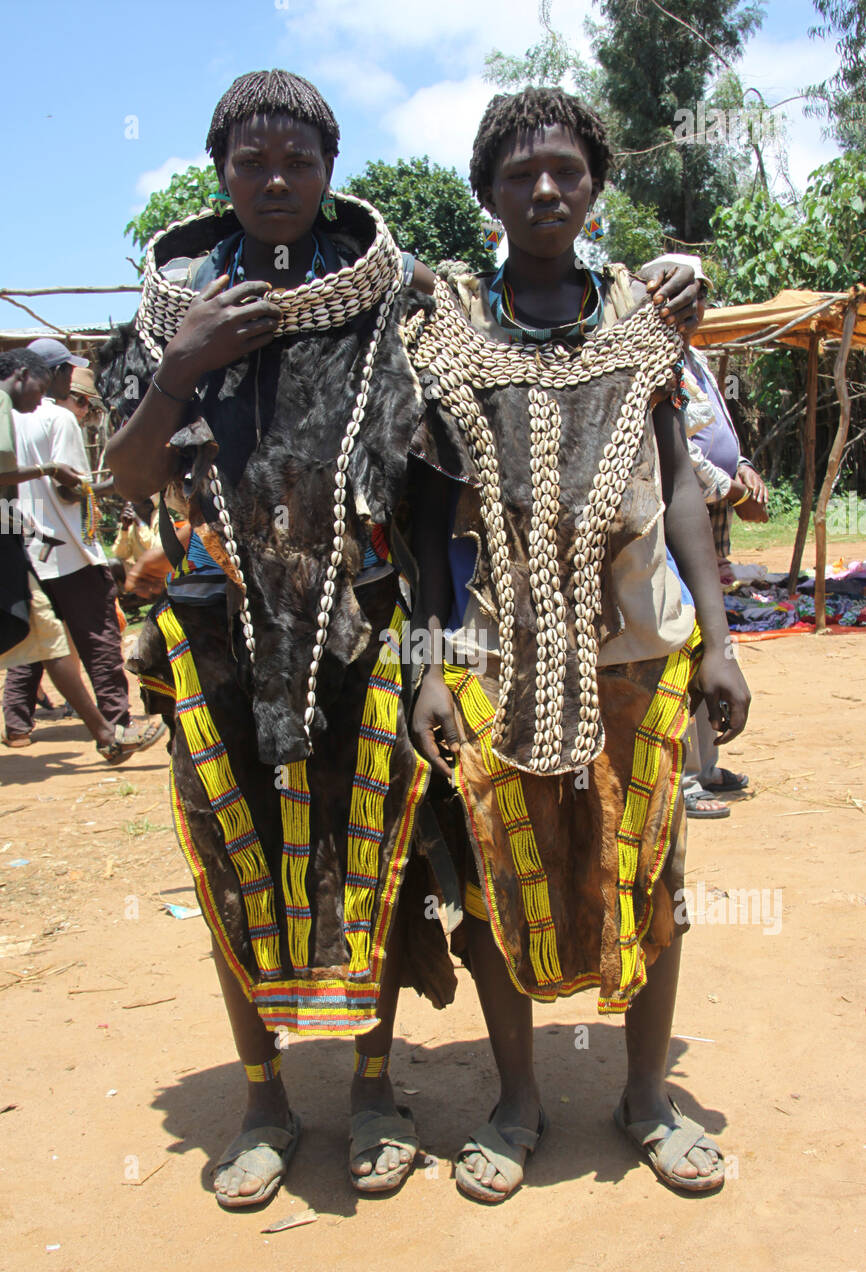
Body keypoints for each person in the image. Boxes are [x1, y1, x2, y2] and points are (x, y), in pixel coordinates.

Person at [101, 72, 699, 1210]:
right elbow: (129, 475)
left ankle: (376, 1091)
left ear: (330, 169)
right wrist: (186, 365)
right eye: (250, 161)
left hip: (365, 633)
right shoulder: (167, 310)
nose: (274, 179)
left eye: (298, 159)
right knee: (239, 866)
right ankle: (266, 1102)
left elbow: (435, 484)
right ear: (218, 171)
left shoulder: (395, 308)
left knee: (376, 864)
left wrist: (679, 276)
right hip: (219, 634)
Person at [407, 88, 750, 1202]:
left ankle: (644, 1095)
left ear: (593, 184)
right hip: (495, 655)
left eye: (564, 169)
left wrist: (716, 639)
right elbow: (420, 512)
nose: (544, 190)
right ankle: (517, 1099)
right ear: (487, 195)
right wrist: (422, 655)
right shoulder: (447, 328)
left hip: (636, 653)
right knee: (497, 869)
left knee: (651, 874)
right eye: (520, 175)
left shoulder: (645, 323)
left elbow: (681, 490)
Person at [643, 254, 768, 818]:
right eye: (684, 292)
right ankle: (685, 778)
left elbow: (717, 429)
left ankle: (708, 763)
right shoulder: (647, 355)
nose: (695, 305)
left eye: (701, 295)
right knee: (681, 645)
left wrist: (743, 465)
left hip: (708, 526)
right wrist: (733, 492)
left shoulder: (694, 357)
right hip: (672, 526)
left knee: (714, 639)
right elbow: (680, 459)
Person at [0, 349, 163, 763]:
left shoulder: (9, 416)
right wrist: (116, 484)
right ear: (55, 374)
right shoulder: (57, 418)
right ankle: (118, 722)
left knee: (36, 635)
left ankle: (17, 724)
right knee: (99, 637)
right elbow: (70, 492)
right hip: (66, 548)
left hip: (22, 544)